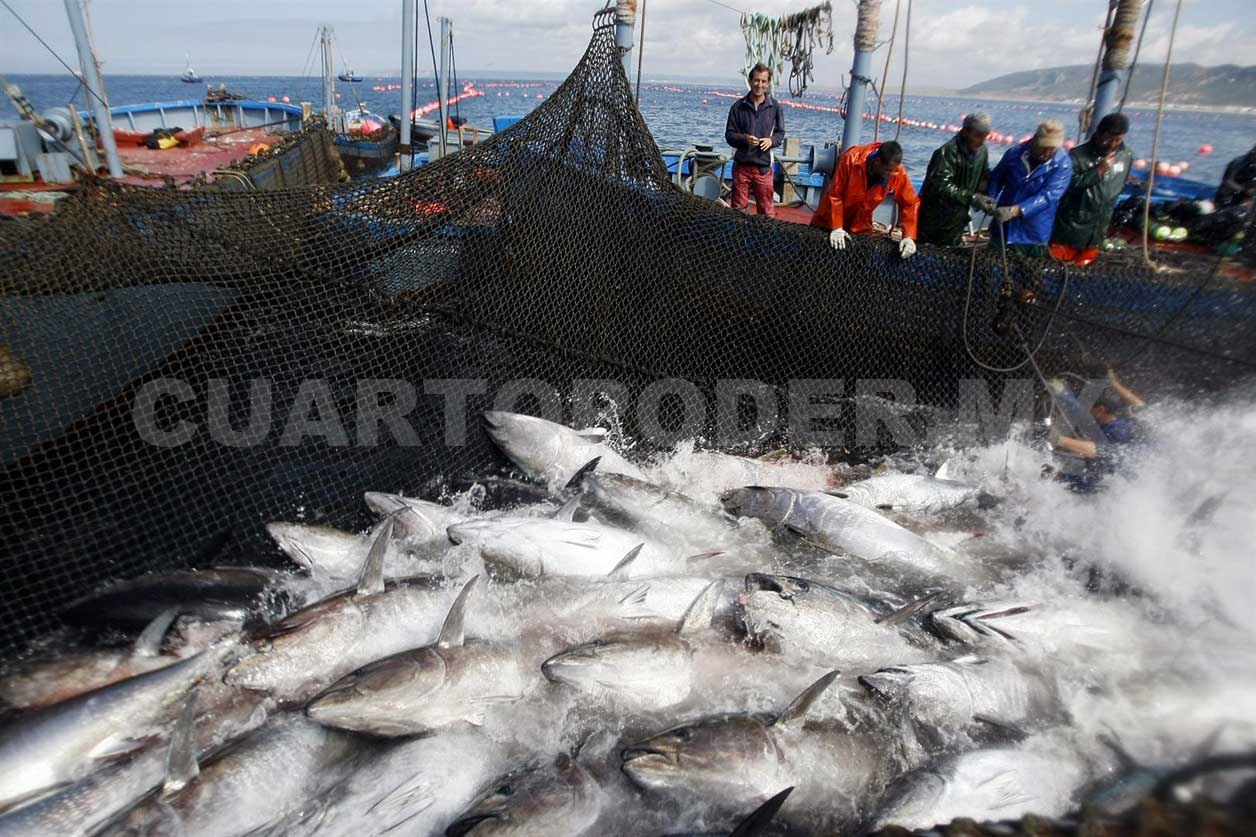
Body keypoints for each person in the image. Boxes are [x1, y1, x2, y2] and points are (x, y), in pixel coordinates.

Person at [810, 140, 920, 259]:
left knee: (857, 264)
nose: (892, 174)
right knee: (817, 256)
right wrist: (836, 227)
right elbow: (836, 195)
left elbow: (909, 203)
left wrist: (908, 236)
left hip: (860, 227)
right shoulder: (851, 159)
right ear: (877, 162)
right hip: (828, 220)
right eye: (888, 171)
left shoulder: (896, 172)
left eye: (894, 171)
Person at [1050, 113, 1134, 267]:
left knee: (1085, 269)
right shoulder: (1077, 155)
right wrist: (1097, 172)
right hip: (1070, 227)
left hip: (1099, 227)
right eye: (1108, 139)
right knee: (1056, 266)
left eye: (1118, 140)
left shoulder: (1126, 155)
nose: (1112, 144)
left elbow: (1121, 183)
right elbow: (1064, 185)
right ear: (1099, 133)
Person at [987, 119, 1073, 257]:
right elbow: (997, 178)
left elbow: (1049, 195)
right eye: (1043, 147)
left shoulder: (1063, 165)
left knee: (1029, 273)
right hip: (1003, 226)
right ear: (1035, 140)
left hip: (1033, 232)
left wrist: (1018, 210)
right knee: (992, 266)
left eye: (1051, 149)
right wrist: (990, 198)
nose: (1046, 152)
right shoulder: (1014, 154)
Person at [918, 113, 996, 247]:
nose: (982, 141)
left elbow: (984, 175)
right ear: (965, 131)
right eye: (977, 136)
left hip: (958, 220)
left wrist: (986, 195)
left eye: (985, 136)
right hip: (935, 221)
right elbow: (940, 185)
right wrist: (972, 198)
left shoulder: (982, 151)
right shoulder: (946, 152)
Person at [724, 63, 786, 219]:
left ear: (768, 83)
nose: (759, 85)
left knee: (766, 212)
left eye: (763, 81)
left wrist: (771, 141)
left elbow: (780, 134)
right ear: (750, 81)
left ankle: (766, 241)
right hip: (742, 167)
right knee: (738, 212)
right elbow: (729, 135)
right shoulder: (737, 107)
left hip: (763, 168)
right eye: (756, 80)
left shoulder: (775, 107)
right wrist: (745, 139)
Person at [1215, 144, 1256, 209]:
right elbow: (1227, 181)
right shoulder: (1238, 162)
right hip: (1227, 196)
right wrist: (1244, 190)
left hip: (1245, 196)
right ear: (1253, 153)